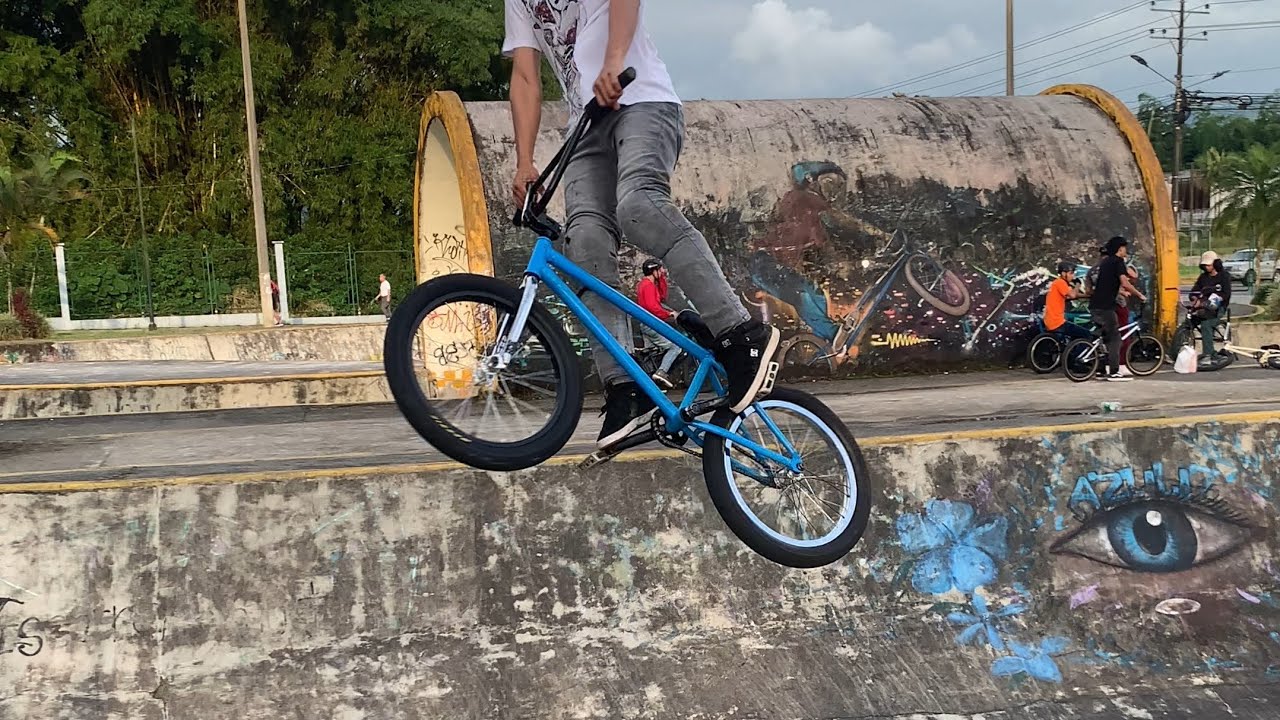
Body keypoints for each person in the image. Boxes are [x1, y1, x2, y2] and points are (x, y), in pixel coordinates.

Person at [503, 0, 779, 449]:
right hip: (585, 126)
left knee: (638, 205)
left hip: (641, 98)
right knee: (585, 242)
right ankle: (626, 387)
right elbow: (525, 76)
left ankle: (741, 332)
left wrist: (613, 62)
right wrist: (523, 161)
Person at [1088, 236, 1146, 381]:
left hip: (1095, 305)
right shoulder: (1118, 261)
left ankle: (1100, 371)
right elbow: (1125, 283)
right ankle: (1114, 372)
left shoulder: (1105, 262)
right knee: (1115, 338)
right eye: (1125, 247)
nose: (1126, 250)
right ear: (1120, 249)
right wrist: (1139, 295)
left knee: (1103, 337)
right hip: (1106, 306)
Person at [635, 258, 684, 389]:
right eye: (660, 269)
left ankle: (648, 384)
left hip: (646, 324)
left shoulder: (646, 284)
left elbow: (662, 296)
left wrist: (661, 279)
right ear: (653, 270)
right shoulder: (648, 286)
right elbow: (653, 307)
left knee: (652, 356)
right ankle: (662, 372)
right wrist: (669, 314)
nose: (662, 271)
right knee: (675, 348)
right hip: (651, 324)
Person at [1189, 250, 1231, 359]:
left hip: (1219, 308)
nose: (1206, 267)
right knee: (1188, 322)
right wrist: (1195, 299)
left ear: (1215, 264)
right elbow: (1195, 290)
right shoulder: (1203, 277)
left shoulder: (1224, 277)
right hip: (1203, 307)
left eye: (1208, 265)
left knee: (1206, 325)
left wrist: (1216, 300)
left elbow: (1226, 294)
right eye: (1204, 265)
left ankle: (1208, 353)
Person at [1043, 261, 1090, 341]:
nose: (1073, 276)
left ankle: (1069, 350)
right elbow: (1073, 295)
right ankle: (1078, 353)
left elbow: (1072, 296)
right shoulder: (1060, 282)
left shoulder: (1057, 284)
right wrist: (1078, 284)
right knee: (1086, 334)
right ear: (1063, 273)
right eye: (1071, 273)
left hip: (1050, 321)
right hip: (1057, 322)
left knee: (1074, 333)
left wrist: (1088, 296)